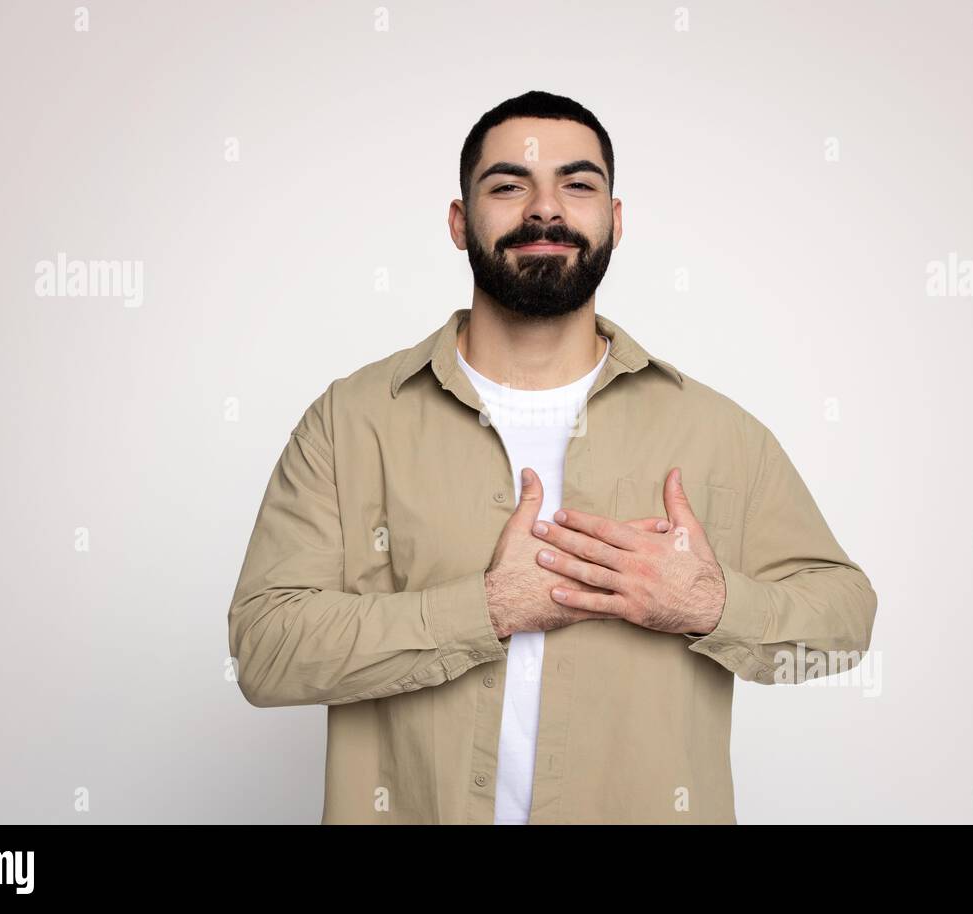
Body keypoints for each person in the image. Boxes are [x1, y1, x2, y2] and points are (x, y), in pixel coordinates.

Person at [227, 90, 878, 825]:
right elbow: (264, 652)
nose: (545, 210)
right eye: (509, 186)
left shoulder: (718, 432)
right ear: (459, 222)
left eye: (577, 185)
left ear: (615, 220)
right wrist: (488, 608)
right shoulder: (350, 422)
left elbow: (843, 626)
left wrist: (708, 603)